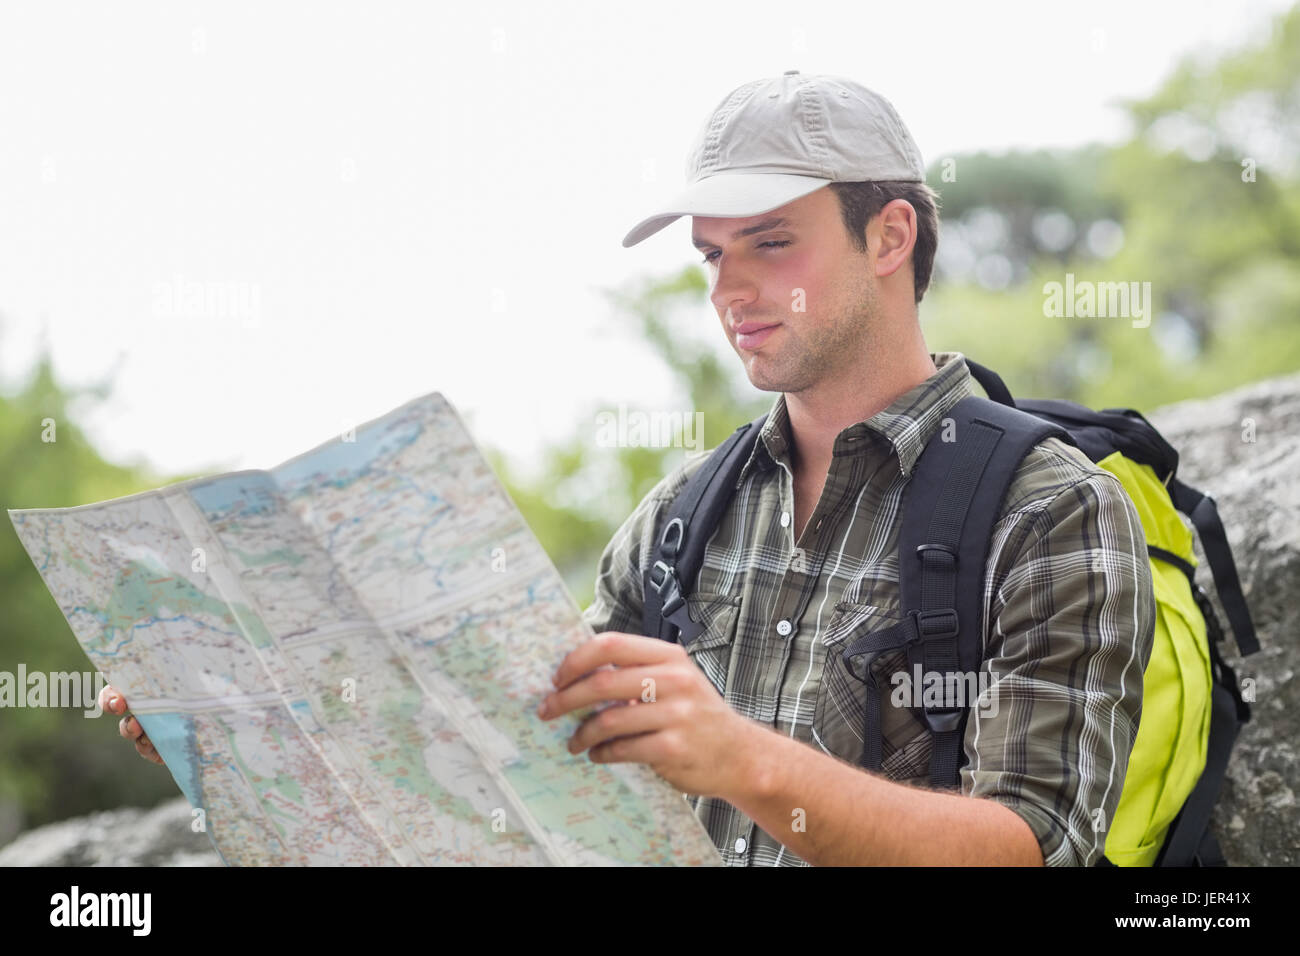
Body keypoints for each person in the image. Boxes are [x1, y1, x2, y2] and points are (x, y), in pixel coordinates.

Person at [106, 71, 1156, 868]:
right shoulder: (681, 516)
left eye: (770, 242)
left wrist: (739, 758)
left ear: (888, 236)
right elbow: (520, 766)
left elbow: (1036, 839)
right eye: (711, 254)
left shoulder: (1049, 506)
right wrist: (246, 721)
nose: (729, 288)